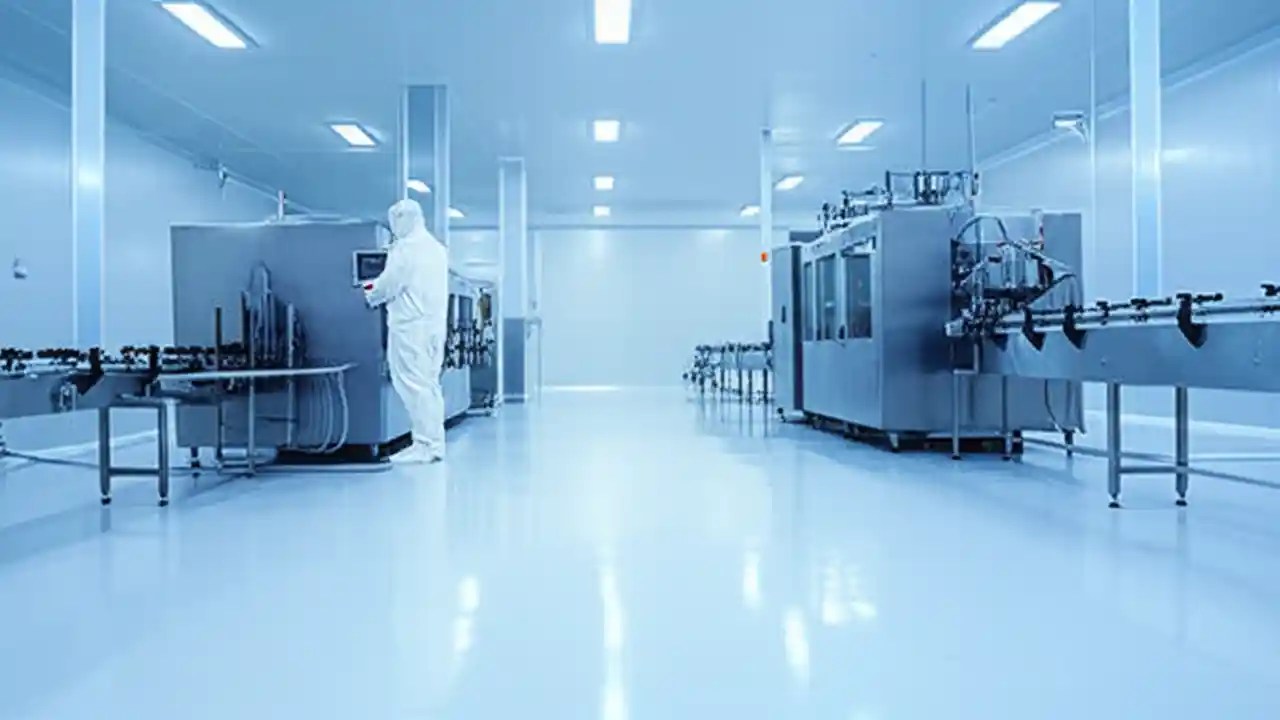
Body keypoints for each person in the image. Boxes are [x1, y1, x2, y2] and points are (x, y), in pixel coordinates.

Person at [364, 198, 449, 463]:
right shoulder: (436, 248)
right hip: (434, 326)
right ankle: (433, 441)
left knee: (413, 384)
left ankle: (425, 444)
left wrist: (368, 292)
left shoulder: (405, 249)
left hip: (410, 327)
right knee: (429, 385)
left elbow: (389, 285)